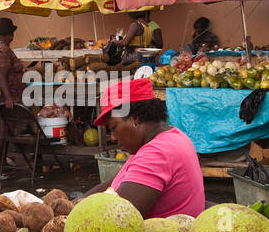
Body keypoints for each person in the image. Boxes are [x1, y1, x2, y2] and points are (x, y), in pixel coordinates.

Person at [85, 78, 205, 219]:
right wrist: (80, 202)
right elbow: (118, 180)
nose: (113, 137)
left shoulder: (157, 153)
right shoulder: (171, 136)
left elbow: (118, 217)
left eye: (114, 128)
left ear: (136, 118)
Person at [0, 17, 26, 167]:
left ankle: (1, 163)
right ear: (9, 34)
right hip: (3, 96)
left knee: (2, 131)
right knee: (0, 132)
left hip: (1, 94)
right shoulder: (2, 49)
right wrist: (8, 98)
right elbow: (1, 76)